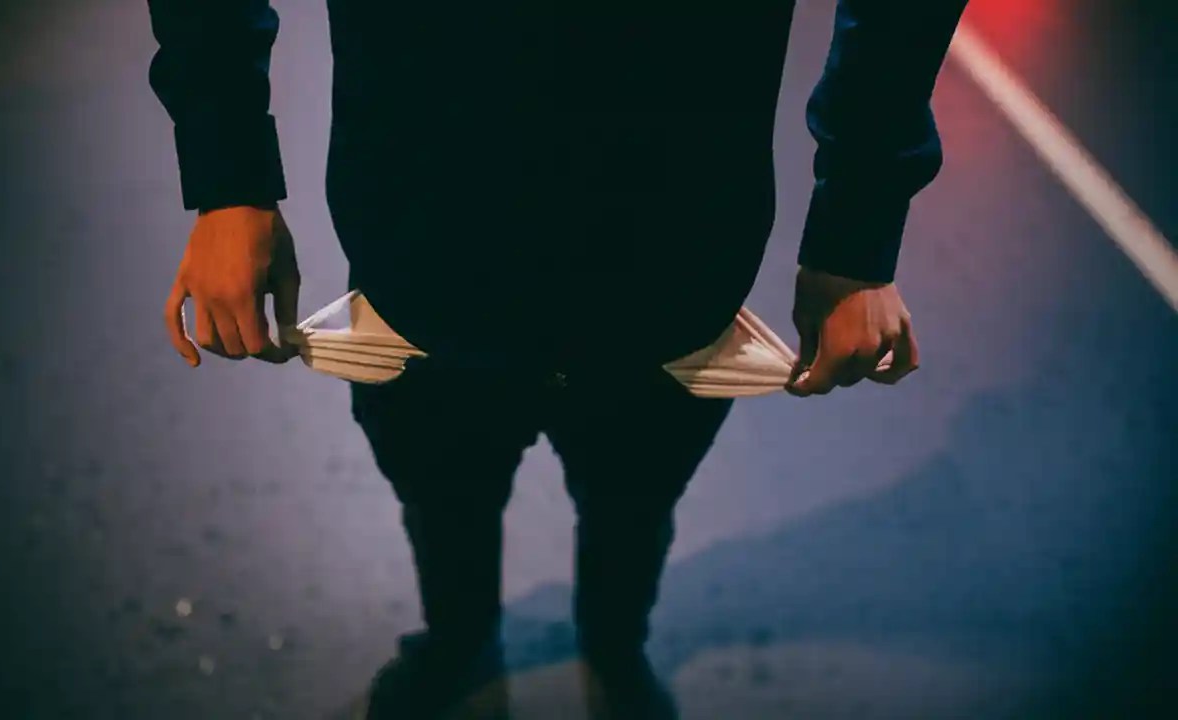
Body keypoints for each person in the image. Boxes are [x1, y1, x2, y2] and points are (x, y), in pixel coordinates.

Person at [146, 1, 967, 717]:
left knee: (634, 501)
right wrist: (229, 176)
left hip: (671, 252)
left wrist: (860, 222)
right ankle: (461, 639)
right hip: (425, 242)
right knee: (442, 494)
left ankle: (612, 645)